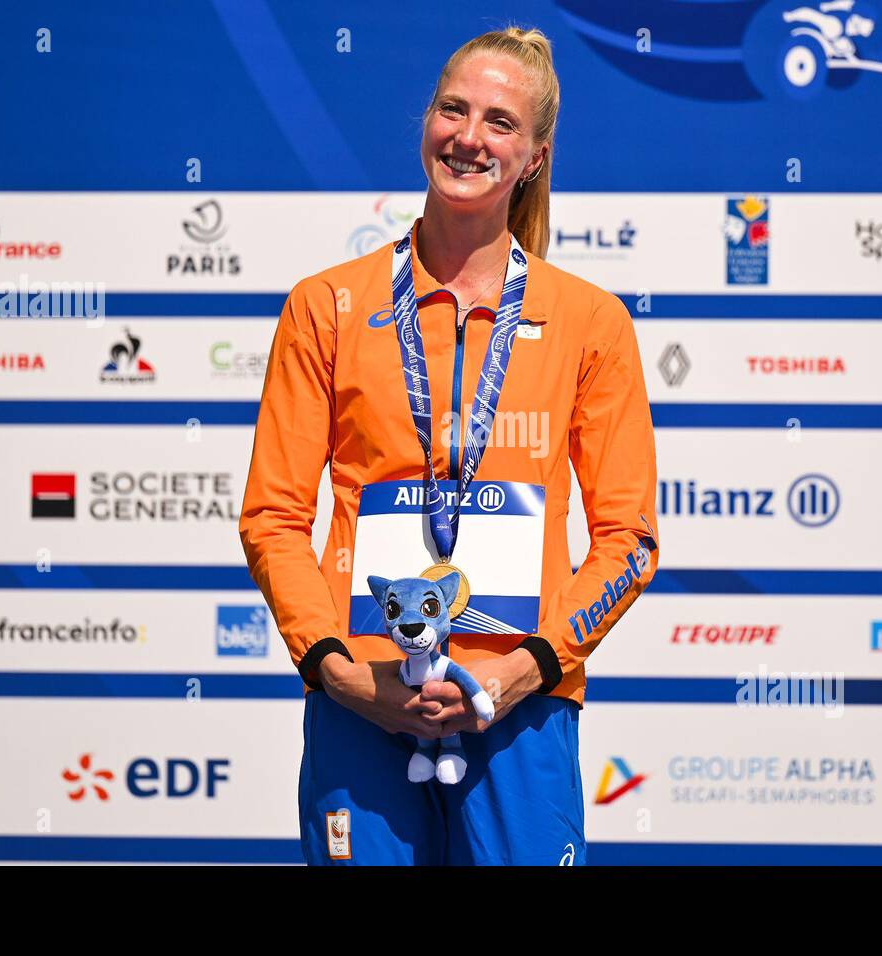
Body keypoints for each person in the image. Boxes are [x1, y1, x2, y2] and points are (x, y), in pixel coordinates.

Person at [239, 25, 659, 866]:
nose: (469, 137)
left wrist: (526, 670)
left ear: (535, 157)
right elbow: (274, 517)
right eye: (453, 110)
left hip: (521, 710)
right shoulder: (325, 306)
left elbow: (628, 539)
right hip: (363, 699)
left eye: (500, 122)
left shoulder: (589, 321)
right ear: (426, 121)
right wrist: (339, 672)